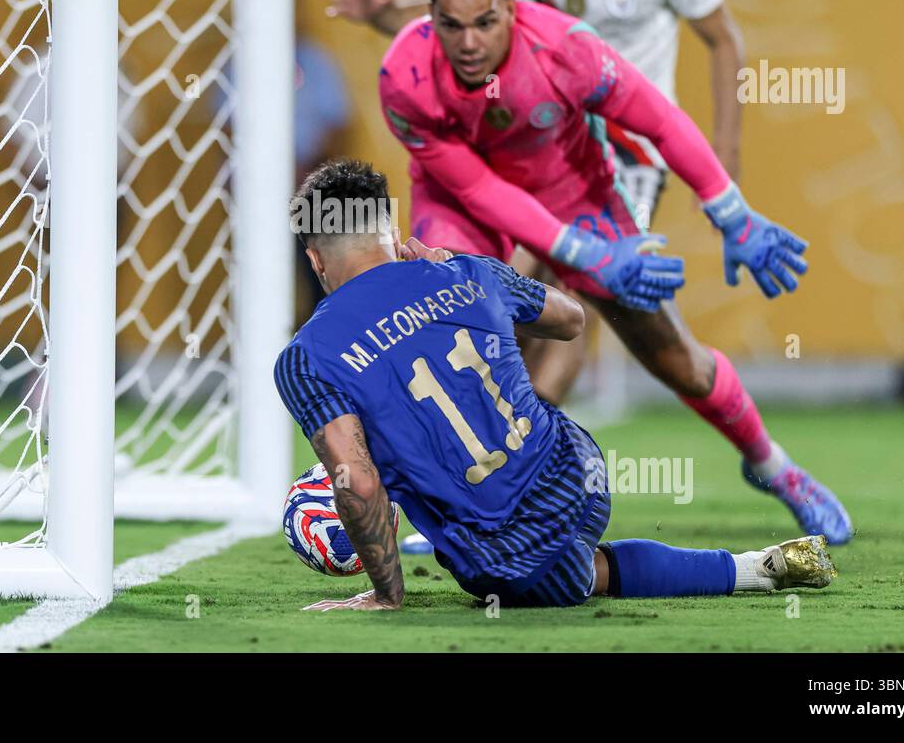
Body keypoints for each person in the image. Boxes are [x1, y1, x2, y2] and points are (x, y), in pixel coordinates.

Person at [372, 0, 853, 545]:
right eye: (451, 25)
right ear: (431, 18)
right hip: (461, 201)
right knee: (451, 332)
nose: (468, 43)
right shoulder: (405, 78)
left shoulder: (567, 49)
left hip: (578, 193)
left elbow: (662, 121)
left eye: (485, 22)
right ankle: (459, 510)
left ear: (512, 12)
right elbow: (480, 188)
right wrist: (583, 255)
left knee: (680, 364)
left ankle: (773, 468)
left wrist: (732, 214)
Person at [274, 159, 837, 611]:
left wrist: (386, 593)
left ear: (316, 260)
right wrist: (468, 278)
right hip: (582, 472)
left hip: (506, 552)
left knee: (558, 575)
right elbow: (571, 320)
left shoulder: (306, 356)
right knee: (568, 541)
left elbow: (361, 485)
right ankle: (755, 568)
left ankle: (743, 570)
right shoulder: (464, 270)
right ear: (392, 233)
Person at [328, 0, 744, 404]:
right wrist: (381, 14)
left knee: (583, 281)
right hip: (534, 141)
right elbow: (451, 18)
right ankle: (514, 422)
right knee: (514, 285)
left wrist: (725, 156)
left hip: (626, 151)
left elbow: (724, 37)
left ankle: (532, 426)